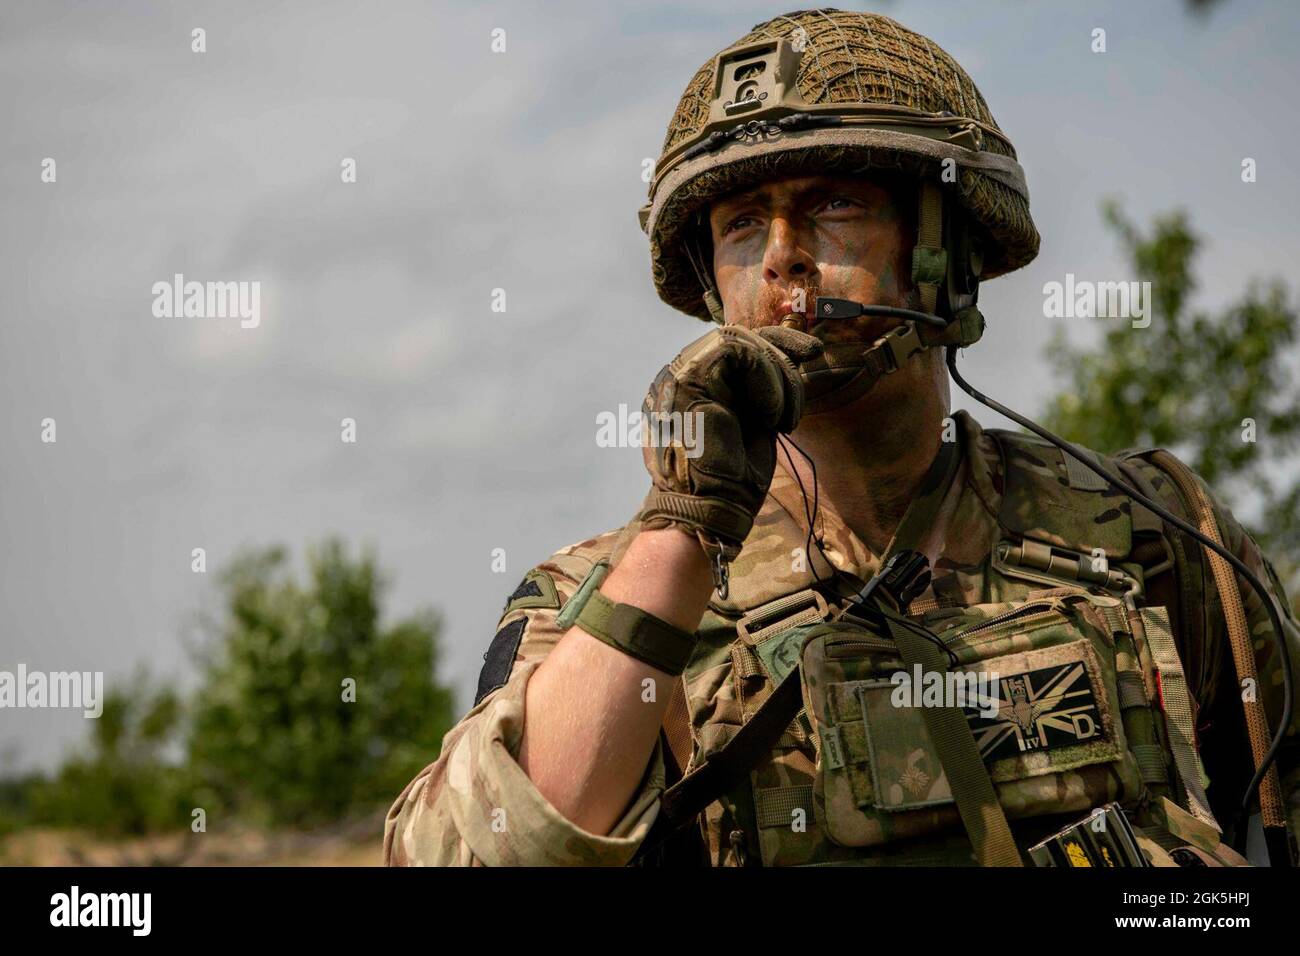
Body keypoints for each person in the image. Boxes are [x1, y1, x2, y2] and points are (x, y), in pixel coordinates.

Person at [384, 8, 1300, 867]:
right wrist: (684, 527)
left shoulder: (1147, 536)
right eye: (743, 225)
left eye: (833, 206)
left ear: (940, 250)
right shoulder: (602, 601)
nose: (781, 254)